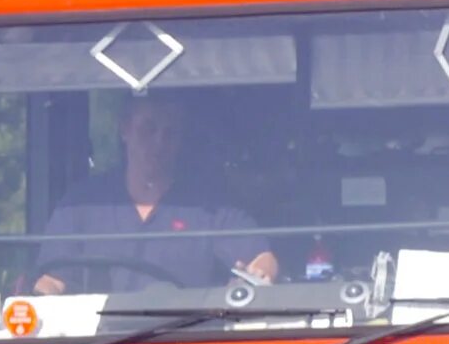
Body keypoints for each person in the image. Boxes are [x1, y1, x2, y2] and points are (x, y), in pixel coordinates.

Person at [32, 98, 279, 294]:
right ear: (125, 129)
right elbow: (52, 281)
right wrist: (35, 301)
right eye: (148, 129)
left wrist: (255, 275)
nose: (159, 142)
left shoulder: (209, 207)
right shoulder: (82, 203)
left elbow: (262, 259)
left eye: (170, 133)